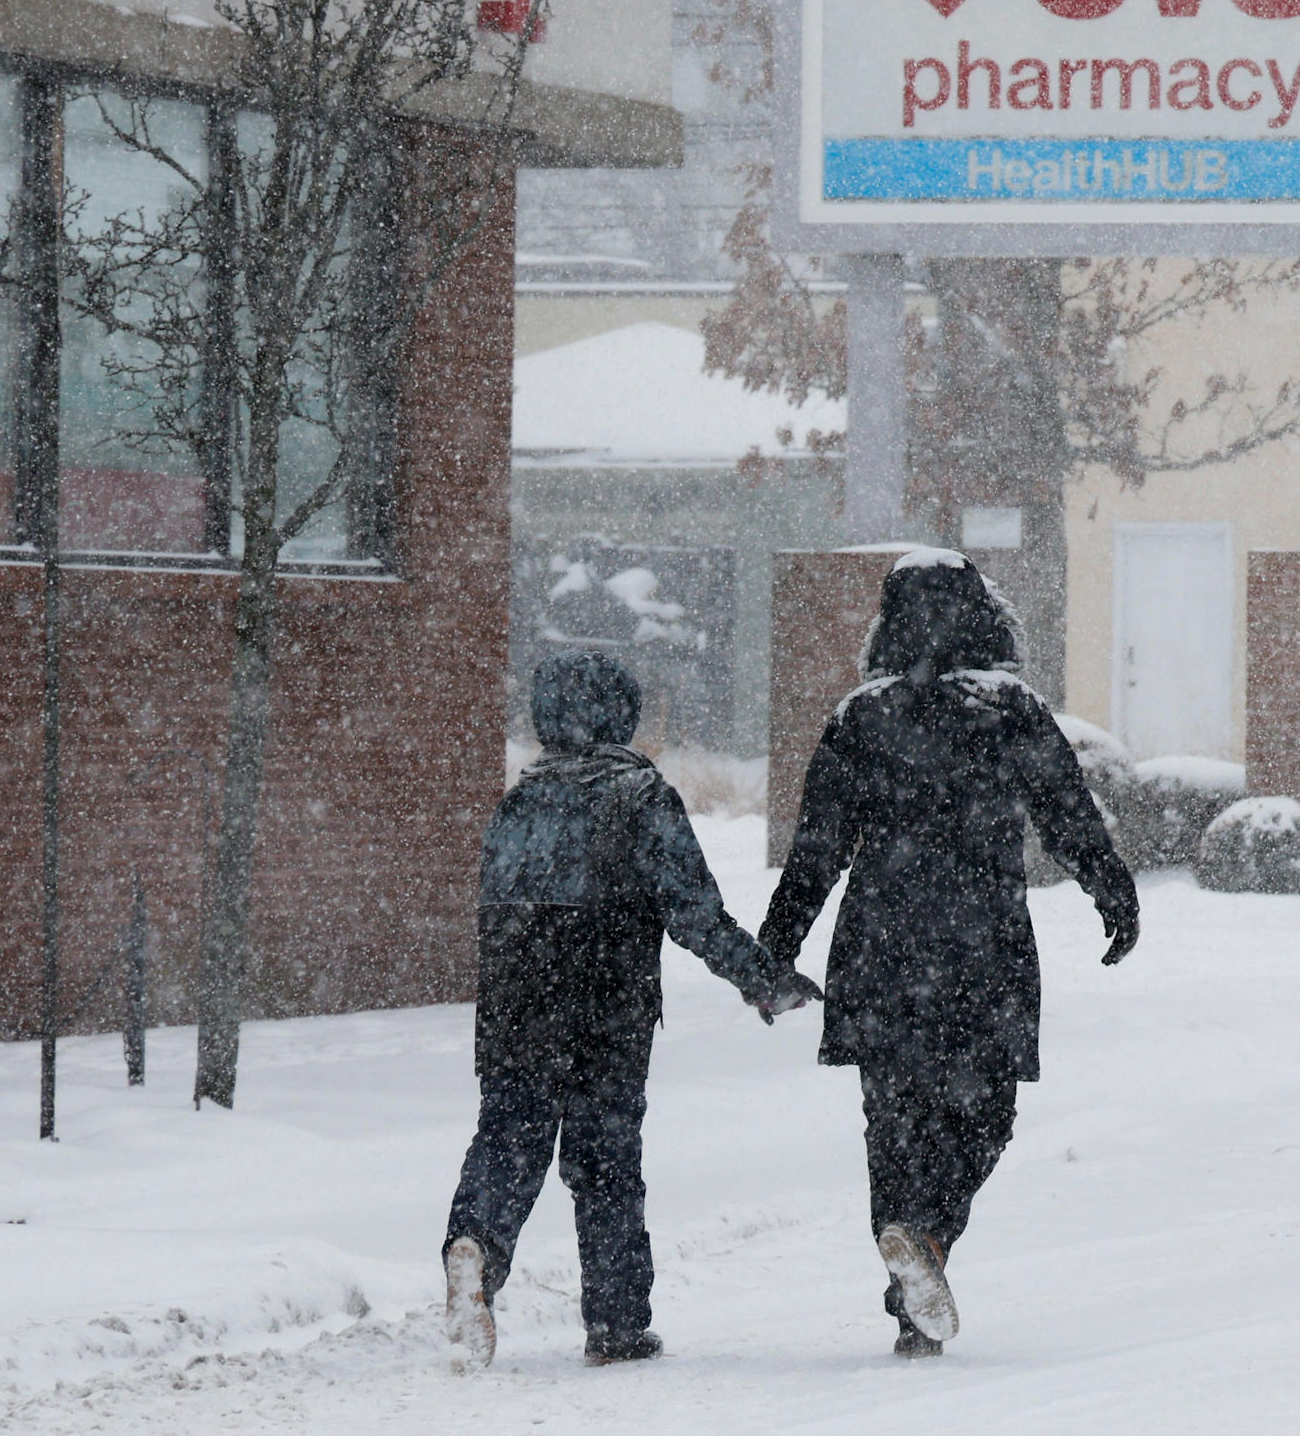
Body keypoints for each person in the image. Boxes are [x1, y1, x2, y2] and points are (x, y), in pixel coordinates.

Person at [758, 549, 1141, 1355]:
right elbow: (1066, 810)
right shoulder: (1011, 709)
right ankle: (926, 1243)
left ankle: (908, 1245)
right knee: (985, 1113)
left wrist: (777, 943)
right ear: (984, 617)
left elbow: (817, 849)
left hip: (879, 943)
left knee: (892, 1118)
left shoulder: (858, 717)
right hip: (982, 943)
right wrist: (1111, 888)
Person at [443, 651, 815, 1370]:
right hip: (605, 994)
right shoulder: (639, 793)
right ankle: (615, 1322)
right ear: (621, 713)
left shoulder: (519, 800)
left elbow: (493, 913)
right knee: (605, 1157)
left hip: (516, 996)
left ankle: (475, 1248)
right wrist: (762, 977)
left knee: (510, 1131)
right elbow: (694, 912)